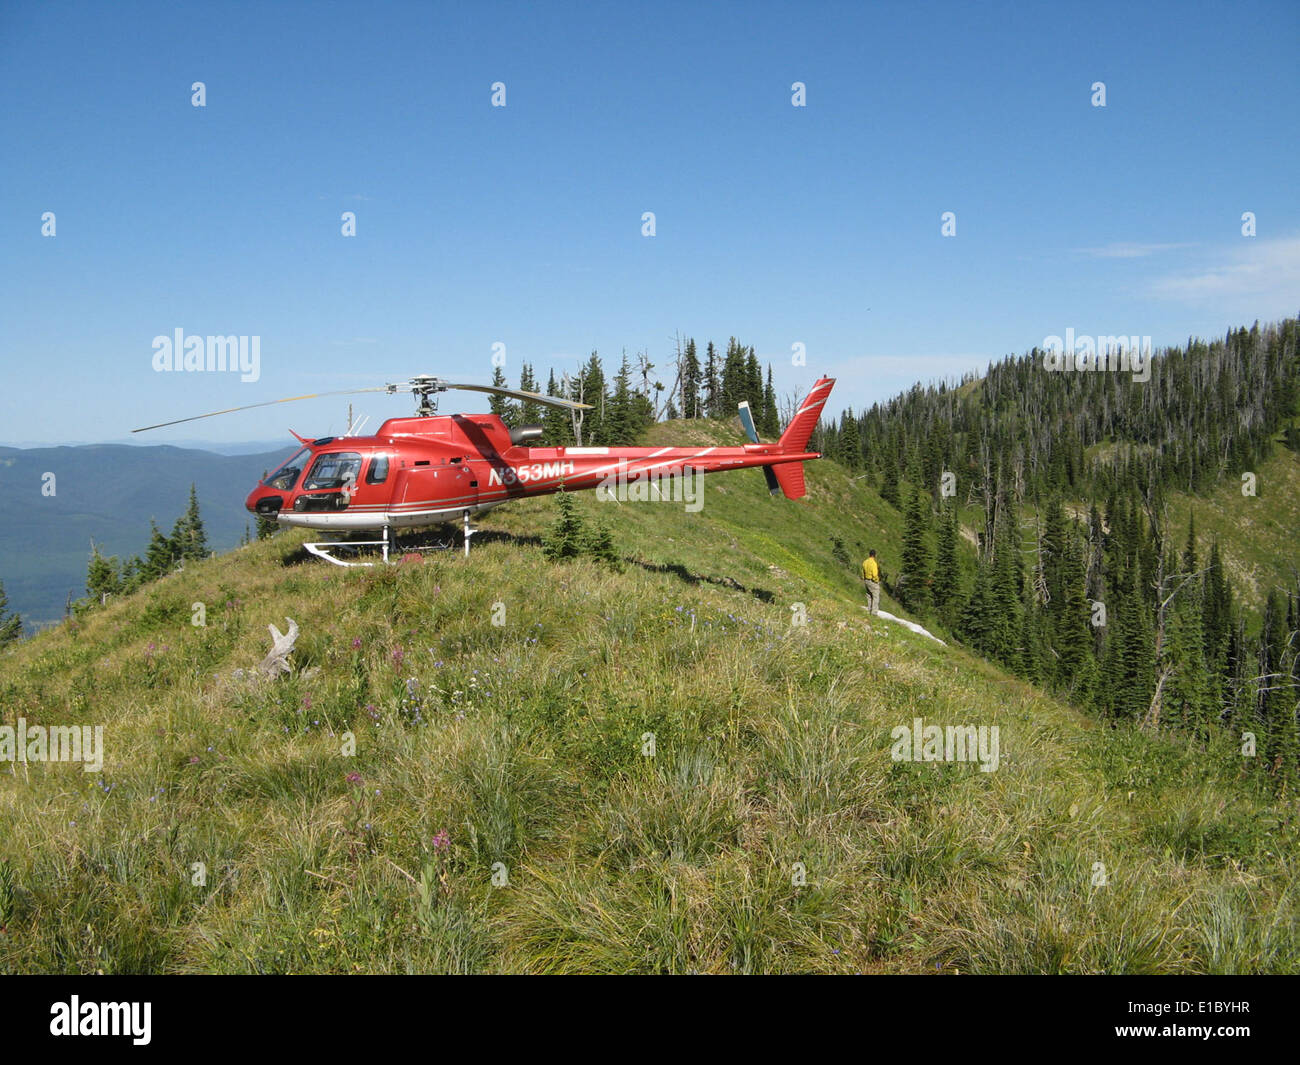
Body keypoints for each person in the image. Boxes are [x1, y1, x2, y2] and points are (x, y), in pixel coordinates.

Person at [861, 549, 881, 616]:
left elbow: (862, 571)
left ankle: (869, 610)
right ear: (875, 555)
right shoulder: (873, 563)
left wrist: (864, 578)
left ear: (869, 554)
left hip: (866, 581)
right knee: (876, 597)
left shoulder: (865, 562)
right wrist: (877, 581)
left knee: (869, 596)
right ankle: (874, 613)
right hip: (872, 581)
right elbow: (875, 574)